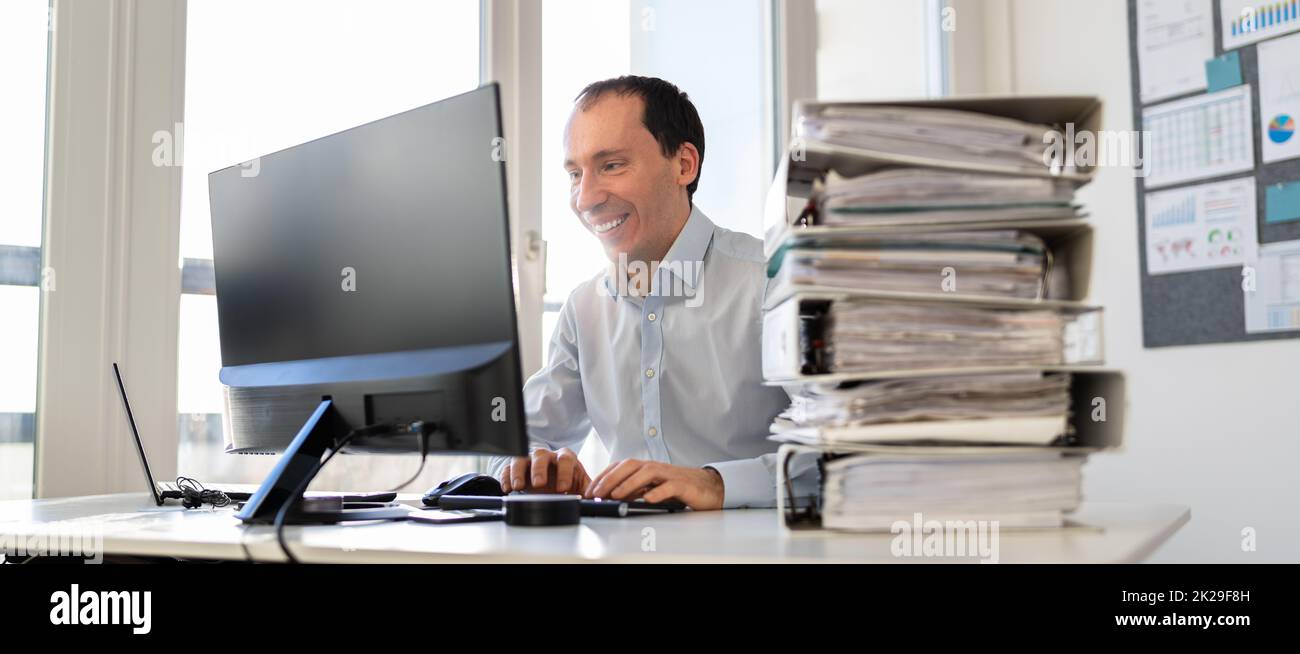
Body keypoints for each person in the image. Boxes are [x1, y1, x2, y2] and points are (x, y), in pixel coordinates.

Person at [491, 75, 817, 510]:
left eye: (611, 166)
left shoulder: (775, 281)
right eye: (574, 174)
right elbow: (524, 438)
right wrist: (534, 466)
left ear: (684, 165)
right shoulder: (583, 308)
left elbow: (839, 449)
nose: (585, 198)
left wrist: (716, 484)